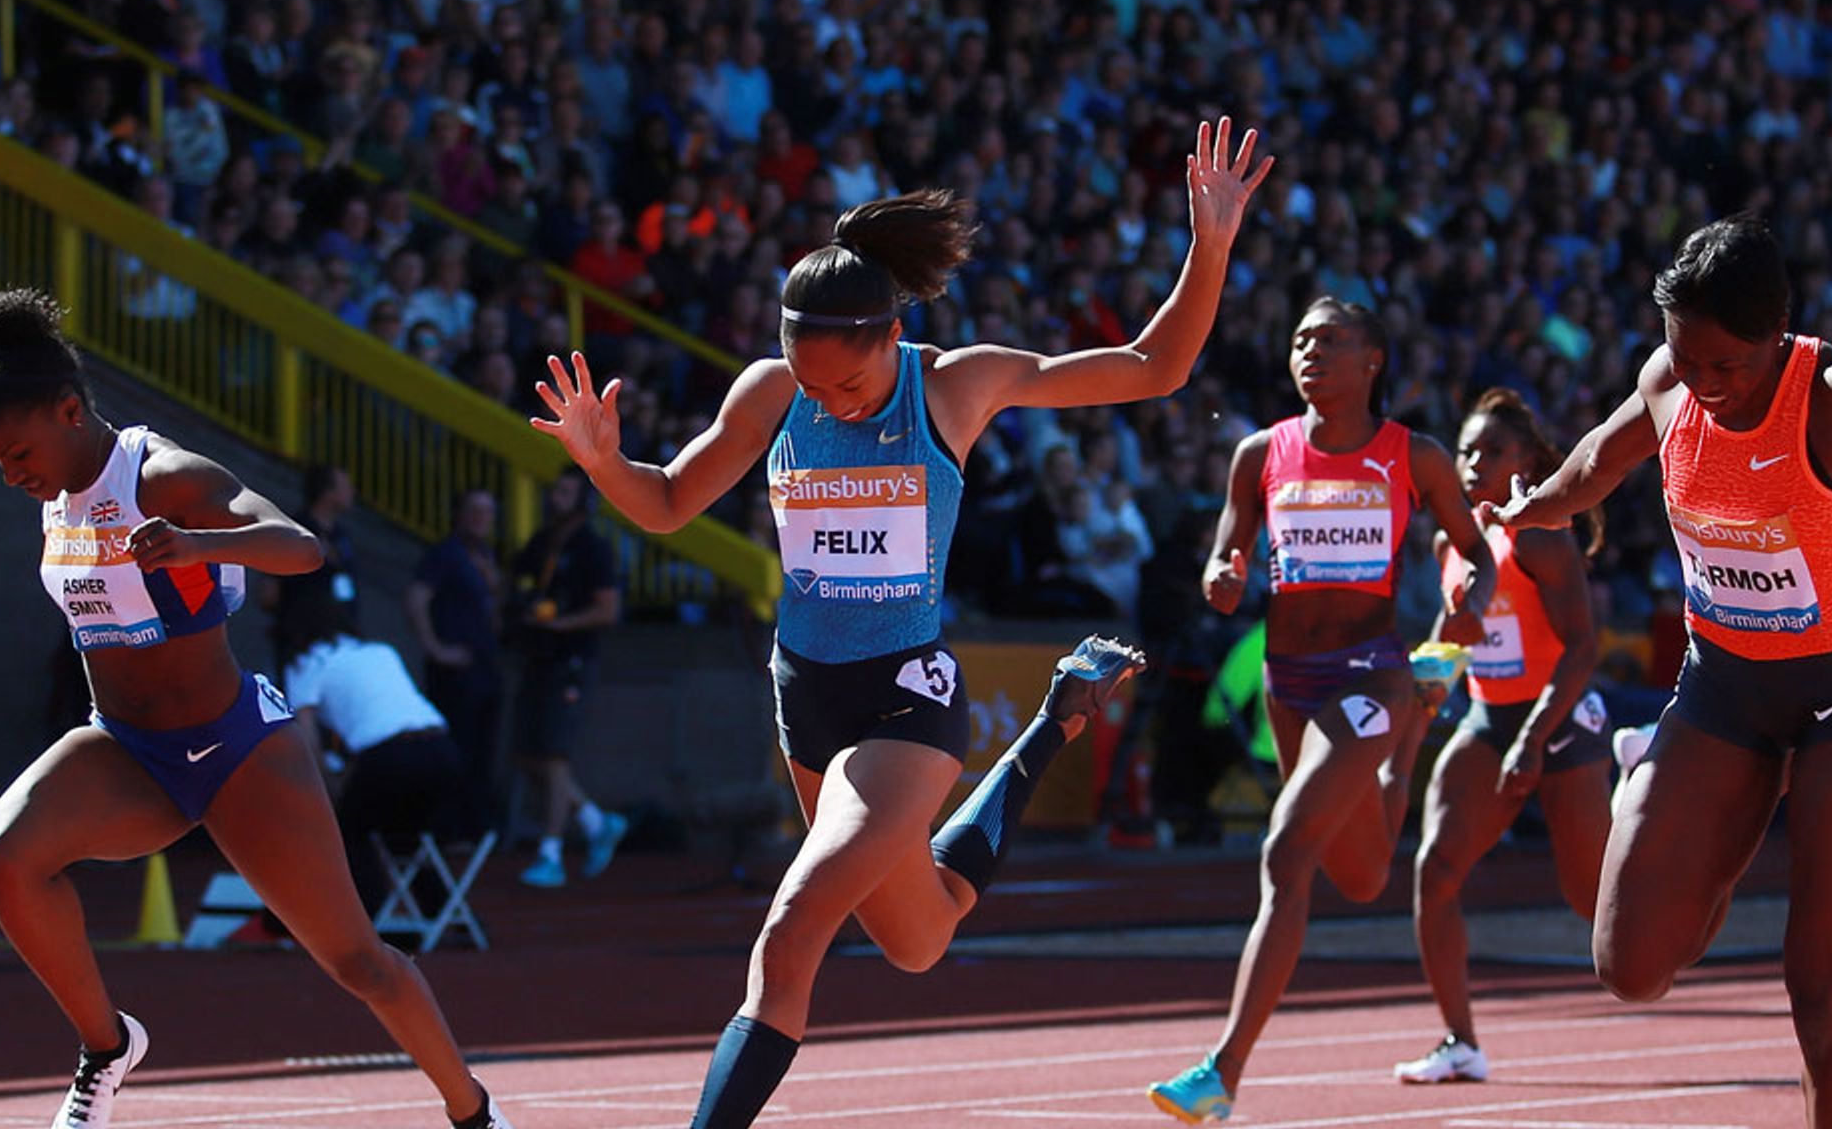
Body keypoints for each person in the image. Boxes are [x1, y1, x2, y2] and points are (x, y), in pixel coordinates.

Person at [533, 117, 1270, 1129]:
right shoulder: (768, 395)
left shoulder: (957, 387)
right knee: (918, 939)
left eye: (845, 383)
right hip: (803, 694)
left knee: (791, 932)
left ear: (888, 339)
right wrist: (602, 462)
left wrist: (1210, 243)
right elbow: (663, 502)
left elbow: (1151, 366)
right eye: (807, 382)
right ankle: (1049, 728)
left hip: (902, 701)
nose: (825, 402)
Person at [0, 289, 512, 1129]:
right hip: (128, 751)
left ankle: (473, 1111)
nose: (10, 474)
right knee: (3, 858)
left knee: (358, 961)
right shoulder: (56, 503)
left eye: (17, 452)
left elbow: (301, 546)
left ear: (71, 410)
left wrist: (200, 543)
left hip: (235, 748)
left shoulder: (165, 476)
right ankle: (107, 1047)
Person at [1486, 214, 1832, 1129]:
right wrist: (1536, 507)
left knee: (1818, 993)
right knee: (1630, 967)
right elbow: (1596, 460)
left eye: (1727, 368)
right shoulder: (1670, 384)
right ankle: (1724, 818)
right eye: (1686, 362)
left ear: (1779, 333)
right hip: (1724, 694)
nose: (1705, 386)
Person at [1149, 297, 1497, 1124]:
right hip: (1287, 681)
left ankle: (1220, 1073)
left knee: (1286, 852)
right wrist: (1223, 578)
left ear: (1372, 360)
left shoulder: (1415, 456)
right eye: (1301, 339)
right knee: (1364, 873)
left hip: (1369, 676)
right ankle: (1403, 762)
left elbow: (1474, 554)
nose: (1311, 352)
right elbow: (1226, 553)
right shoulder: (1260, 452)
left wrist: (1467, 595)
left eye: (1332, 342)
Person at [1394, 388, 1615, 1084]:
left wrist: (1535, 740)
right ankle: (1460, 1041)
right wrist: (1417, 713)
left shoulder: (1542, 536)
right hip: (1490, 719)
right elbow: (1453, 643)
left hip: (1561, 719)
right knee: (1435, 870)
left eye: (1492, 450)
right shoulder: (1450, 543)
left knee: (1593, 902)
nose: (1473, 462)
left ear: (1530, 460)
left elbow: (1582, 649)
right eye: (1465, 450)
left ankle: (1640, 780)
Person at [280, 591, 463, 922]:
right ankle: (444, 913)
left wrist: (327, 784)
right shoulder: (380, 652)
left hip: (389, 755)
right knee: (404, 833)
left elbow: (305, 736)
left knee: (349, 830)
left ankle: (365, 919)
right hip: (441, 750)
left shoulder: (306, 663)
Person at [510, 466, 628, 888]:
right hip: (538, 657)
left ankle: (551, 852)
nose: (555, 496)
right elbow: (520, 584)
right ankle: (597, 822)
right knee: (528, 756)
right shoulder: (542, 541)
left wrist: (560, 624)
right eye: (555, 488)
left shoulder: (593, 548)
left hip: (571, 660)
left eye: (565, 490)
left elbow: (607, 610)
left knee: (555, 755)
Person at [405, 488, 505, 839]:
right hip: (454, 672)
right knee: (455, 749)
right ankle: (449, 828)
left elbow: (493, 613)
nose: (482, 518)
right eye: (475, 510)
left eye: (488, 511)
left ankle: (476, 828)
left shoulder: (487, 557)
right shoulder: (444, 554)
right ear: (459, 512)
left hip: (485, 666)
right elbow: (416, 599)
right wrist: (435, 648)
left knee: (483, 750)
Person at [264, 462, 361, 674]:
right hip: (301, 644)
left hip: (341, 639)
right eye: (346, 486)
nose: (353, 491)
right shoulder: (294, 530)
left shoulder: (342, 536)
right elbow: (269, 592)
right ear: (328, 492)